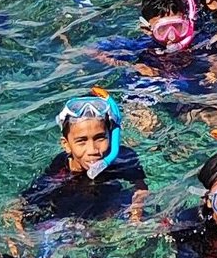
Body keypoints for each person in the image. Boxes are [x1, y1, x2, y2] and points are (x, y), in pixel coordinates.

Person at [91, 0, 217, 130]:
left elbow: (216, 58)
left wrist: (216, 69)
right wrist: (131, 66)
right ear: (147, 29)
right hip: (152, 86)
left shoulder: (198, 39)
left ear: (188, 22)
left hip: (188, 88)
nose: (172, 36)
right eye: (163, 30)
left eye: (178, 27)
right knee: (148, 126)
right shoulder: (142, 44)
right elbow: (93, 50)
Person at [9, 88, 147, 238]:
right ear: (66, 144)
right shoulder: (61, 169)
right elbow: (21, 205)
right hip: (70, 213)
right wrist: (20, 234)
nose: (93, 150)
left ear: (111, 135)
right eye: (81, 141)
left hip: (109, 203)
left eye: (100, 138)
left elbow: (140, 188)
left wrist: (135, 215)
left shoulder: (123, 157)